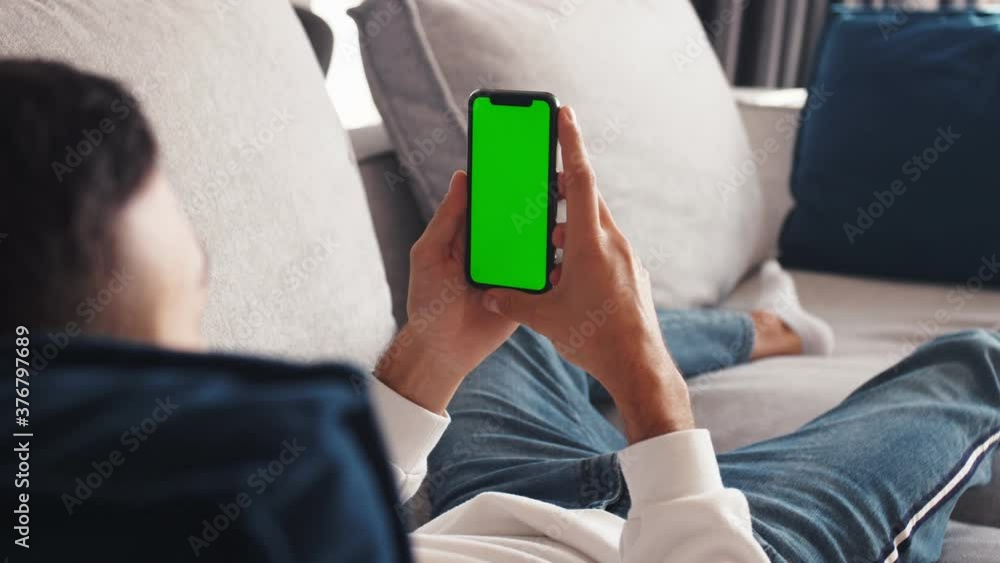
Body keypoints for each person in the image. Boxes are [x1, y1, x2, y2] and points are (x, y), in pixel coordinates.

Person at [1, 60, 997, 563]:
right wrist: (646, 380)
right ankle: (685, 341)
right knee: (969, 360)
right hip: (702, 535)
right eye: (192, 303)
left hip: (484, 499)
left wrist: (429, 352)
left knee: (509, 323)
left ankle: (744, 331)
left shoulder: (110, 479)